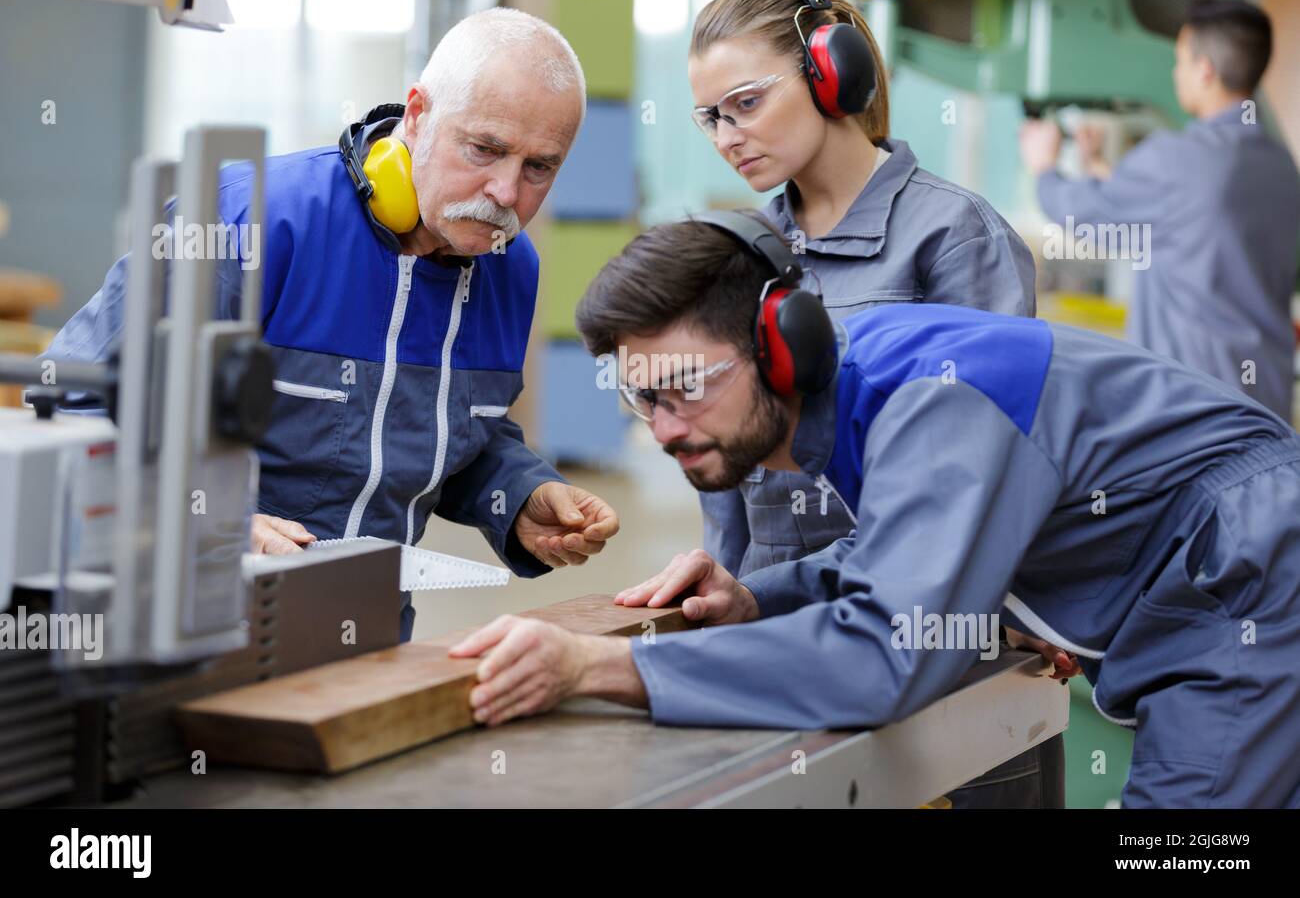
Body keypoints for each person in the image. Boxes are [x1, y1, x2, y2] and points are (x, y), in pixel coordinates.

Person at [450, 213, 1300, 808]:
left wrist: (593, 668)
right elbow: (901, 557)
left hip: (1246, 577)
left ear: (780, 345)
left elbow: (891, 655)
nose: (667, 430)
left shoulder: (937, 398)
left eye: (686, 388)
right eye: (644, 402)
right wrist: (758, 598)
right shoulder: (868, 398)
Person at [45, 9, 619, 641]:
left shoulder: (509, 269)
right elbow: (69, 399)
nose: (507, 194)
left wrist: (518, 494)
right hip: (189, 622)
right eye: (485, 149)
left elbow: (456, 436)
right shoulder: (248, 220)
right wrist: (208, 519)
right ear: (418, 115)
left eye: (540, 167)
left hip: (366, 629)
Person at [685, 0, 1054, 805]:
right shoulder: (745, 253)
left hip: (940, 633)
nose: (727, 137)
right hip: (783, 628)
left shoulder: (953, 236)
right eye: (710, 117)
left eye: (744, 103)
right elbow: (731, 477)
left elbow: (997, 464)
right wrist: (716, 591)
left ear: (830, 76)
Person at [1021, 0, 1300, 424]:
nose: (1176, 73)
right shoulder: (1281, 165)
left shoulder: (1177, 158)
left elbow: (1081, 215)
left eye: (1181, 61)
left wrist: (1044, 168)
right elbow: (1185, 219)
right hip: (1270, 404)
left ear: (1205, 71)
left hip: (1192, 406)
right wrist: (1099, 168)